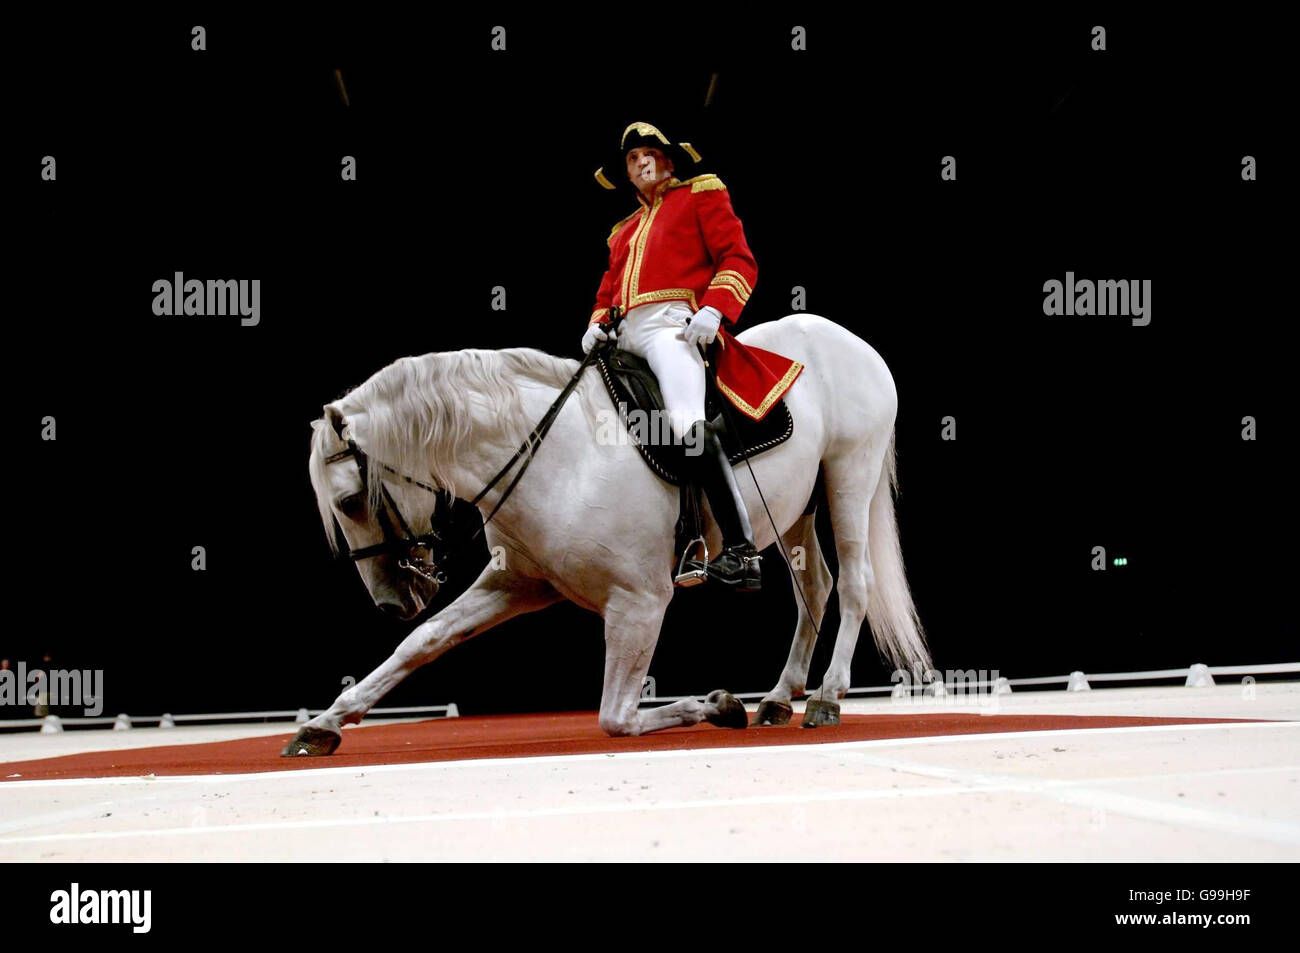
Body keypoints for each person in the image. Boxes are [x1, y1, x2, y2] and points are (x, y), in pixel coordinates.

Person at [584, 121, 761, 590]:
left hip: (671, 328)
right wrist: (595, 323)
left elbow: (738, 259)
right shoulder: (622, 230)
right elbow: (609, 291)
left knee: (685, 425)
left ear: (668, 160)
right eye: (631, 158)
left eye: (648, 153)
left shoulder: (700, 194)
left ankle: (741, 550)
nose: (640, 162)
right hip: (624, 339)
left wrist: (714, 310)